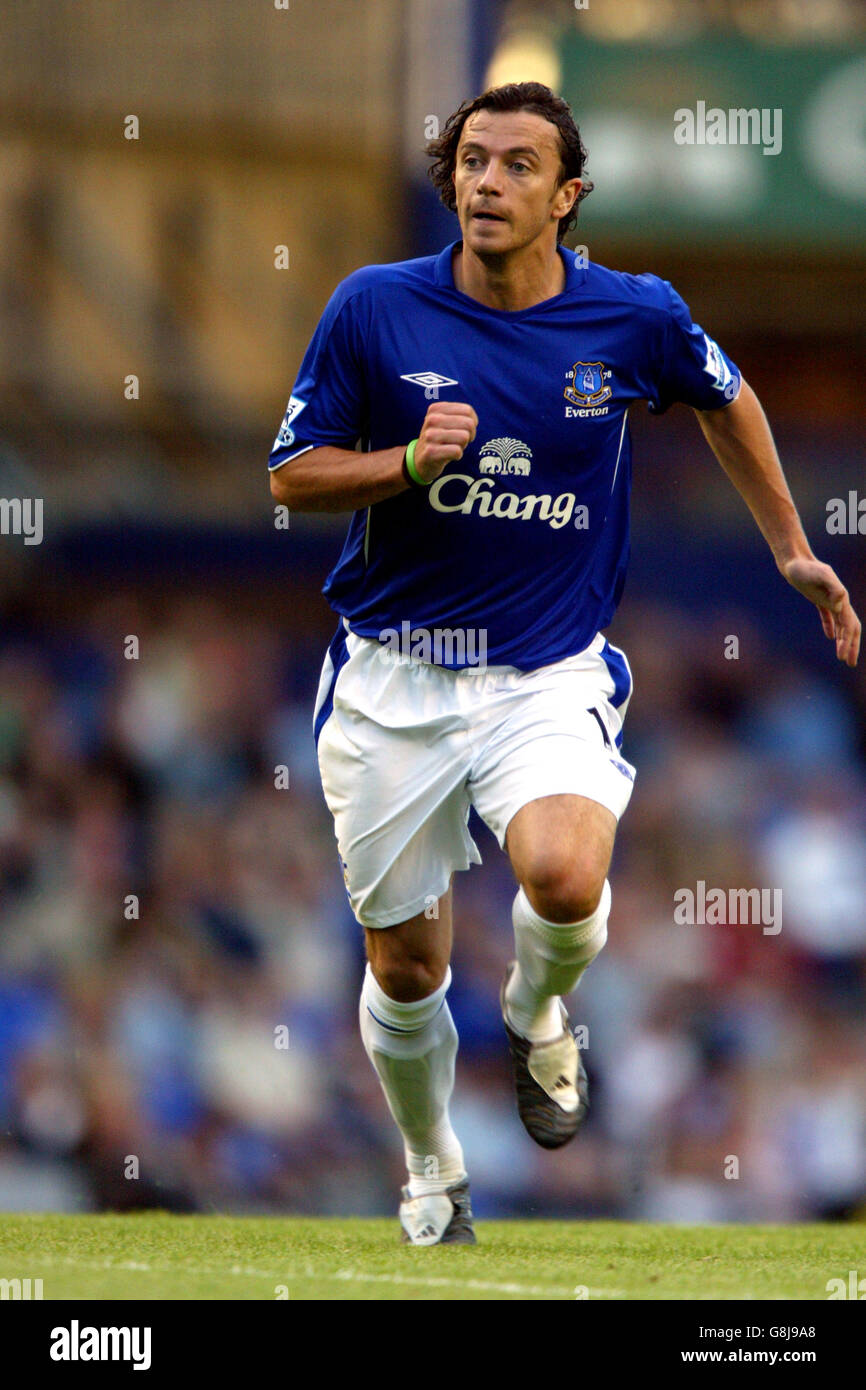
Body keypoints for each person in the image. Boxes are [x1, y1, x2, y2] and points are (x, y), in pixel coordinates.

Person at [267, 82, 860, 1246]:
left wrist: (789, 546)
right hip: (394, 677)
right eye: (470, 162)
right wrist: (400, 465)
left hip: (545, 670)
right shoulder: (373, 308)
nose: (485, 182)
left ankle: (538, 1012)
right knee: (404, 967)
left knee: (562, 877)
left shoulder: (631, 317)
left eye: (515, 166)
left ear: (564, 195)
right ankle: (431, 1162)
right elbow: (290, 472)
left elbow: (725, 397)